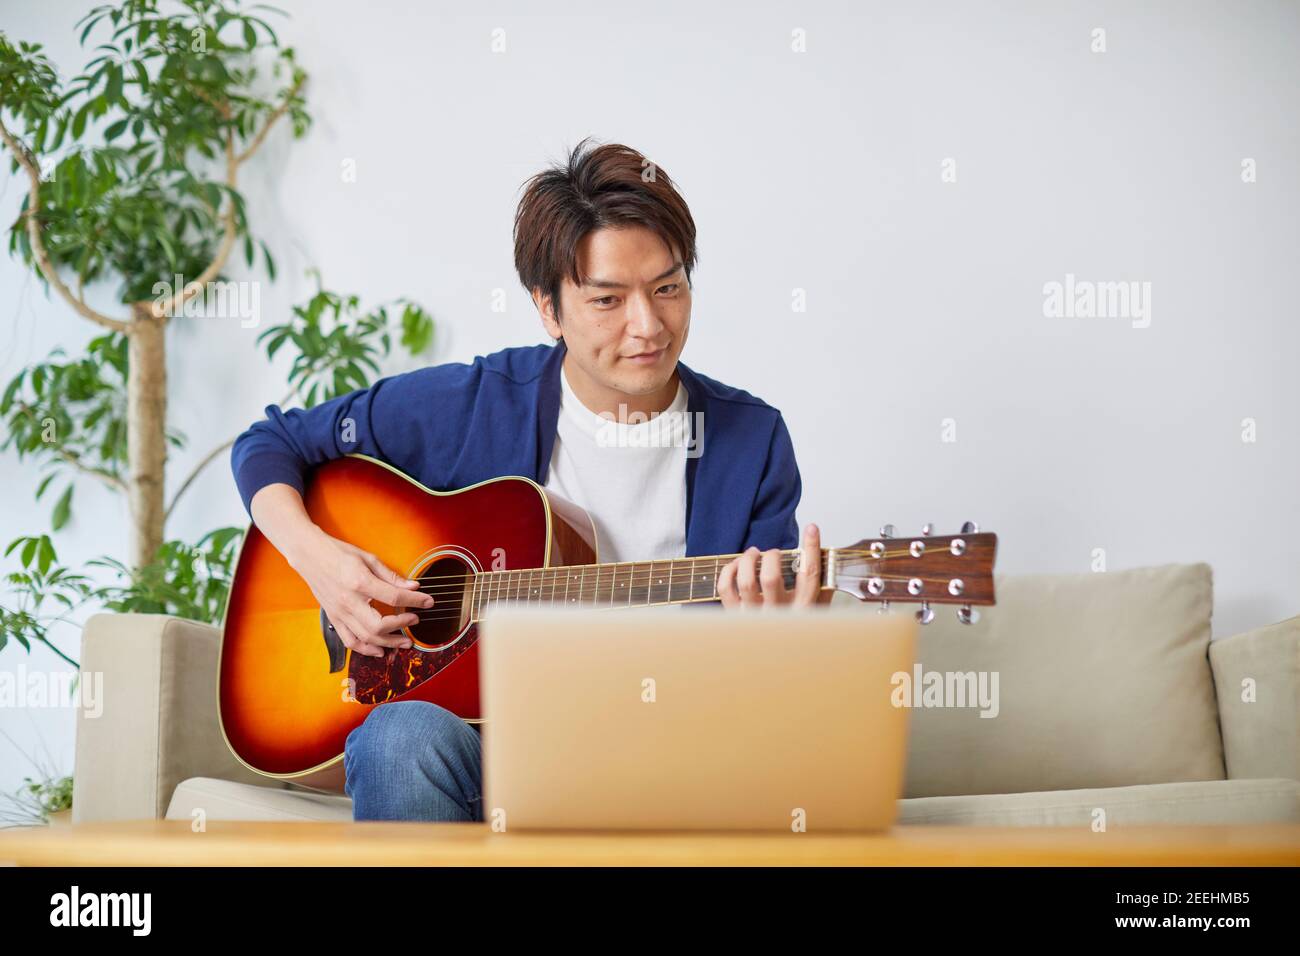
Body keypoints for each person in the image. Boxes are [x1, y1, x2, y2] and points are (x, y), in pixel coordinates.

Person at [230, 138, 829, 822]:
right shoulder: (476, 403)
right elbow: (271, 443)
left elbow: (755, 695)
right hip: (494, 759)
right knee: (400, 739)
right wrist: (324, 566)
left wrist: (779, 640)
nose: (649, 325)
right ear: (548, 309)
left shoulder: (750, 443)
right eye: (608, 300)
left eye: (669, 287)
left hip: (659, 754)